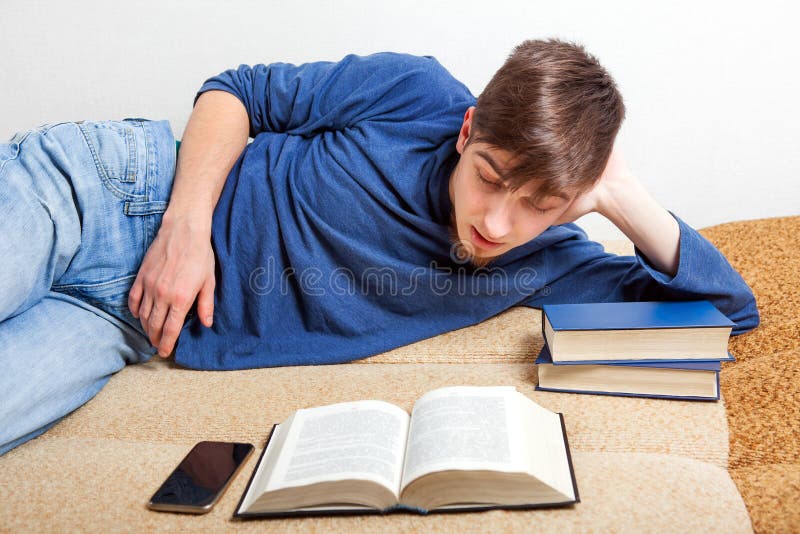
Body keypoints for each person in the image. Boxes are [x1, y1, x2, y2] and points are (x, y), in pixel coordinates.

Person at [0, 38, 759, 455]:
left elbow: (726, 318)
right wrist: (185, 229)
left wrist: (622, 195)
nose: (497, 222)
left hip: (121, 325)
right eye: (489, 176)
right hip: (107, 190)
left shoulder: (553, 258)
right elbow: (235, 90)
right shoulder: (415, 93)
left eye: (540, 203)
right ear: (468, 133)